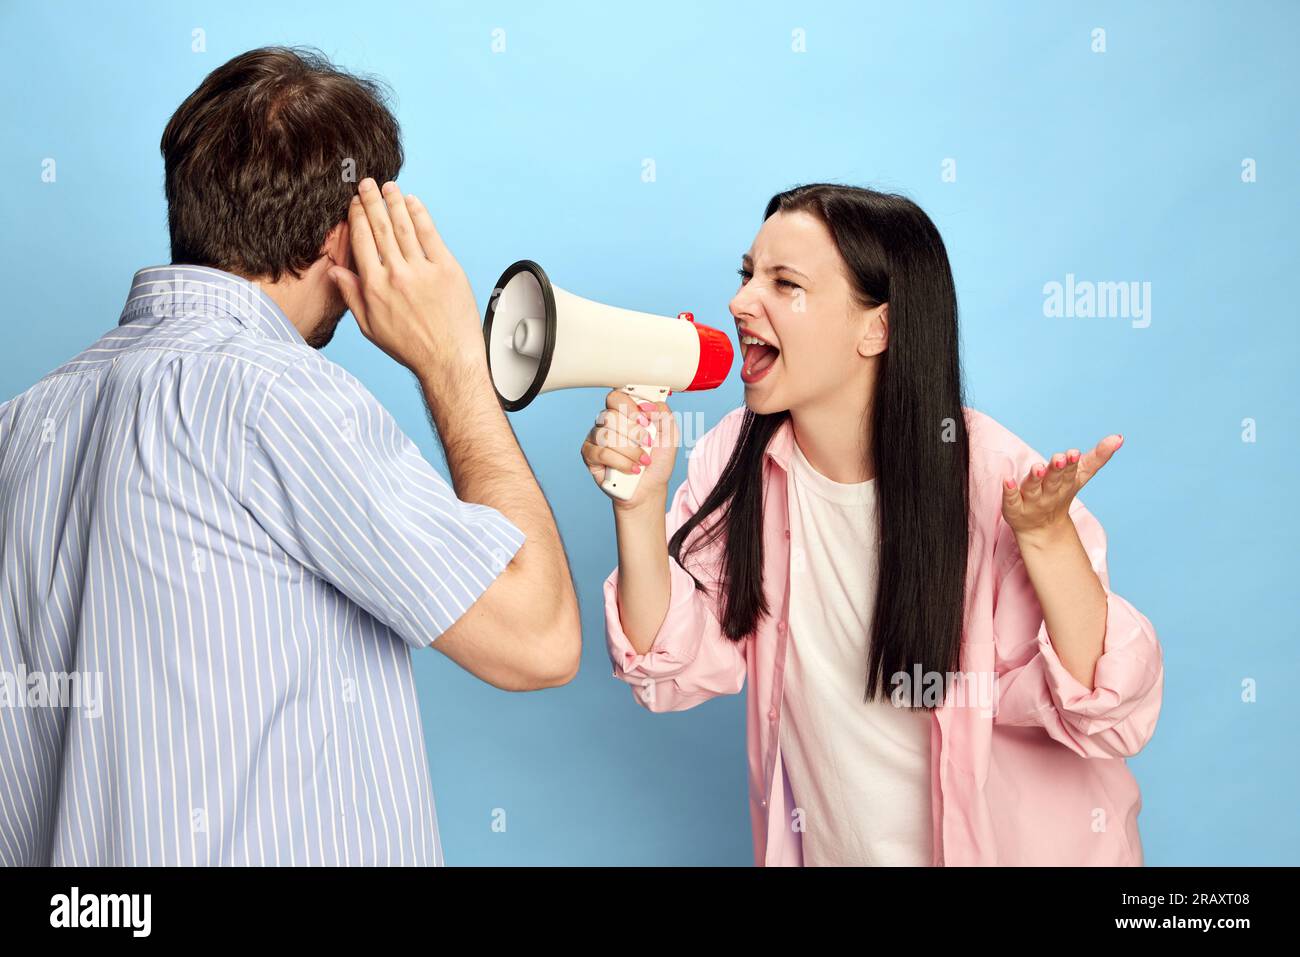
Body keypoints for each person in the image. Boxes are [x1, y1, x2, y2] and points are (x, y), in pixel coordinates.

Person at [0, 46, 580, 866]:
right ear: (349, 234)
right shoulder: (278, 397)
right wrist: (451, 358)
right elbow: (540, 637)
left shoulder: (22, 425)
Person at [583, 183, 1164, 866]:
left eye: (784, 282)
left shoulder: (991, 474)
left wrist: (1045, 538)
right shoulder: (736, 458)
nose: (741, 303)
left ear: (876, 328)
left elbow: (1111, 717)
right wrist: (638, 507)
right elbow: (669, 669)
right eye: (746, 275)